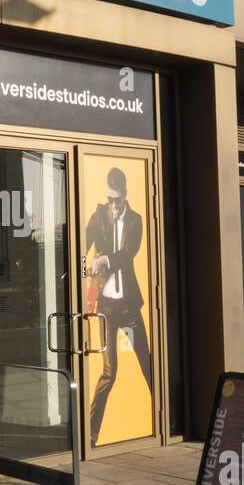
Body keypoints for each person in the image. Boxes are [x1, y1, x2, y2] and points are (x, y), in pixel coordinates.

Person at [83, 166, 153, 445]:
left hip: (129, 307)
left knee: (148, 363)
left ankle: (163, 419)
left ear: (125, 194)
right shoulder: (98, 216)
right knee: (109, 373)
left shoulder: (135, 220)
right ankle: (90, 433)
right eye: (110, 199)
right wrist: (84, 268)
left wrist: (105, 261)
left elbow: (128, 253)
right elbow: (80, 247)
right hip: (107, 308)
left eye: (117, 200)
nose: (113, 205)